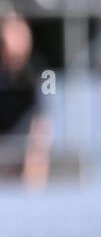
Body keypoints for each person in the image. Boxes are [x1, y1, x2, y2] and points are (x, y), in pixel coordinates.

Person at [0, 10, 50, 186]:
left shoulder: (43, 70)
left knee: (38, 146)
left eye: (19, 34)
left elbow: (45, 110)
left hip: (26, 140)